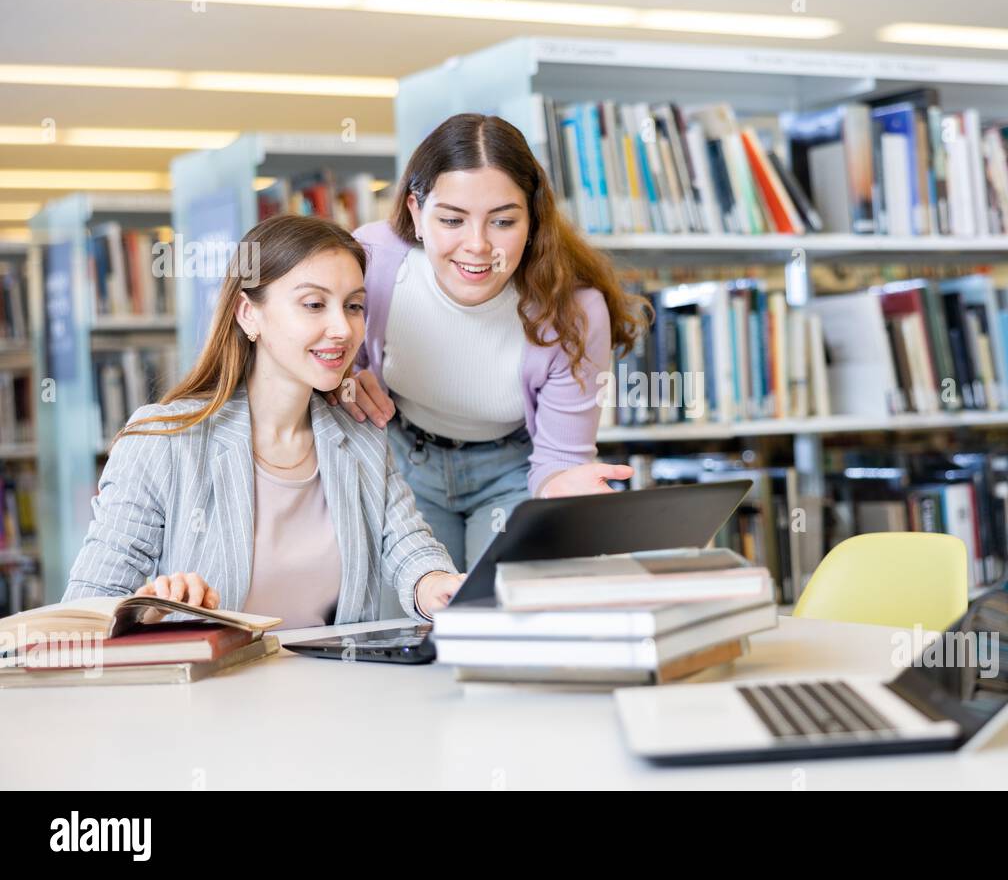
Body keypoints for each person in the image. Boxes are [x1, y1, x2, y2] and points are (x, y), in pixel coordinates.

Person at [63, 215, 463, 626]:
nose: (342, 328)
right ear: (248, 315)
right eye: (313, 304)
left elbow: (408, 544)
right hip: (214, 687)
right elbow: (84, 608)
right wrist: (147, 612)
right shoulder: (163, 441)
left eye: (354, 306)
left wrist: (432, 583)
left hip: (338, 686)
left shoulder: (358, 436)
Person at [335, 112, 650, 572]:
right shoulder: (373, 261)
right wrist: (347, 382)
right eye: (452, 219)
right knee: (410, 623)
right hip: (402, 459)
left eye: (502, 222)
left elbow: (559, 458)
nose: (478, 245)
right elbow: (334, 361)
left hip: (514, 471)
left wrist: (559, 488)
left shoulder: (575, 311)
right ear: (416, 213)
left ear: (533, 221)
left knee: (502, 608)